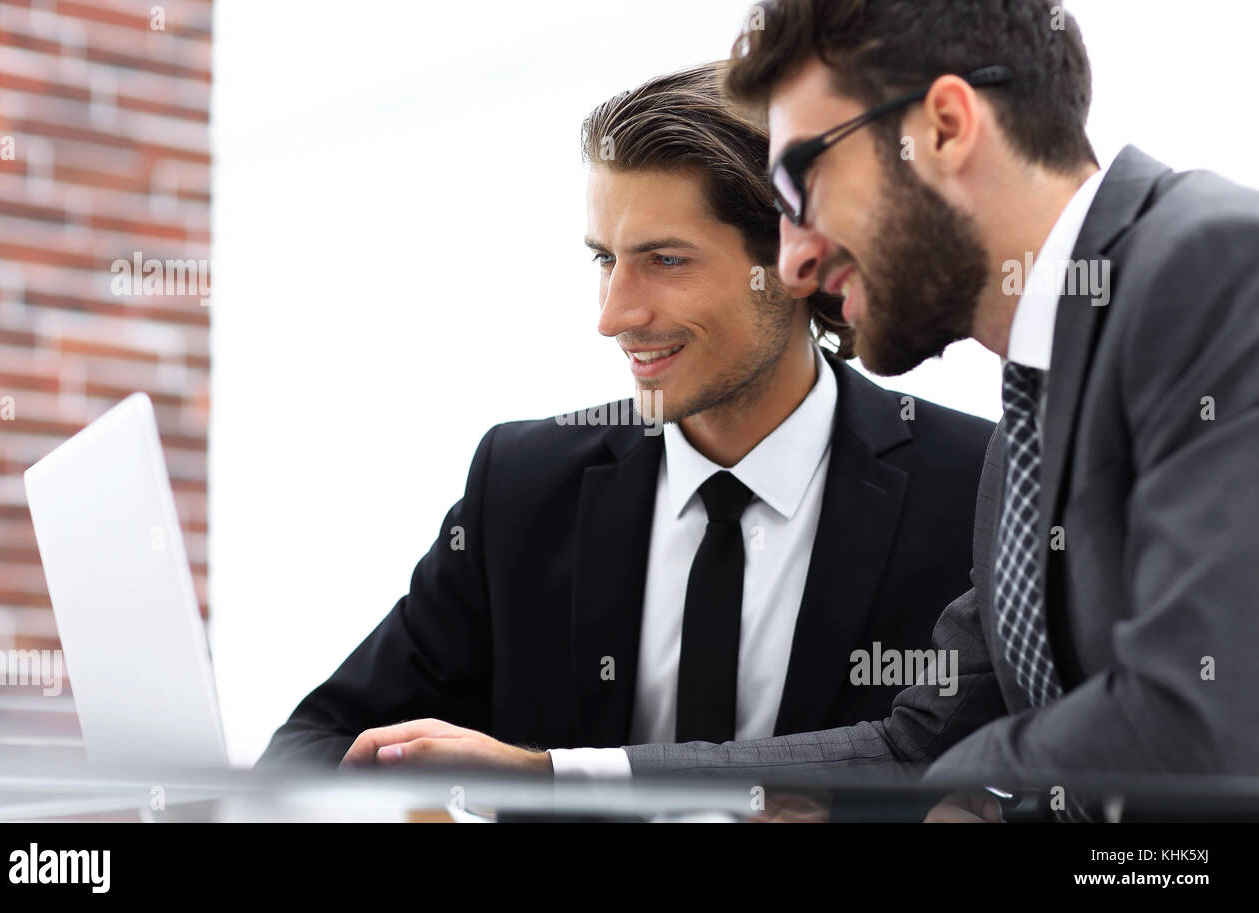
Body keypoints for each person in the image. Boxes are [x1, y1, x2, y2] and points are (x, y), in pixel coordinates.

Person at [369, 1, 1259, 823]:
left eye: (803, 181)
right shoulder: (1031, 413)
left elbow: (1196, 714)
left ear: (945, 129)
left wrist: (970, 795)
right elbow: (922, 739)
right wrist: (552, 777)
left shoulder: (1211, 264)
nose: (791, 265)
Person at [257, 62, 993, 771]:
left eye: (665, 261)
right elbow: (314, 743)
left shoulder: (970, 488)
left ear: (796, 258)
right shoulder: (521, 487)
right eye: (604, 260)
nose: (614, 316)